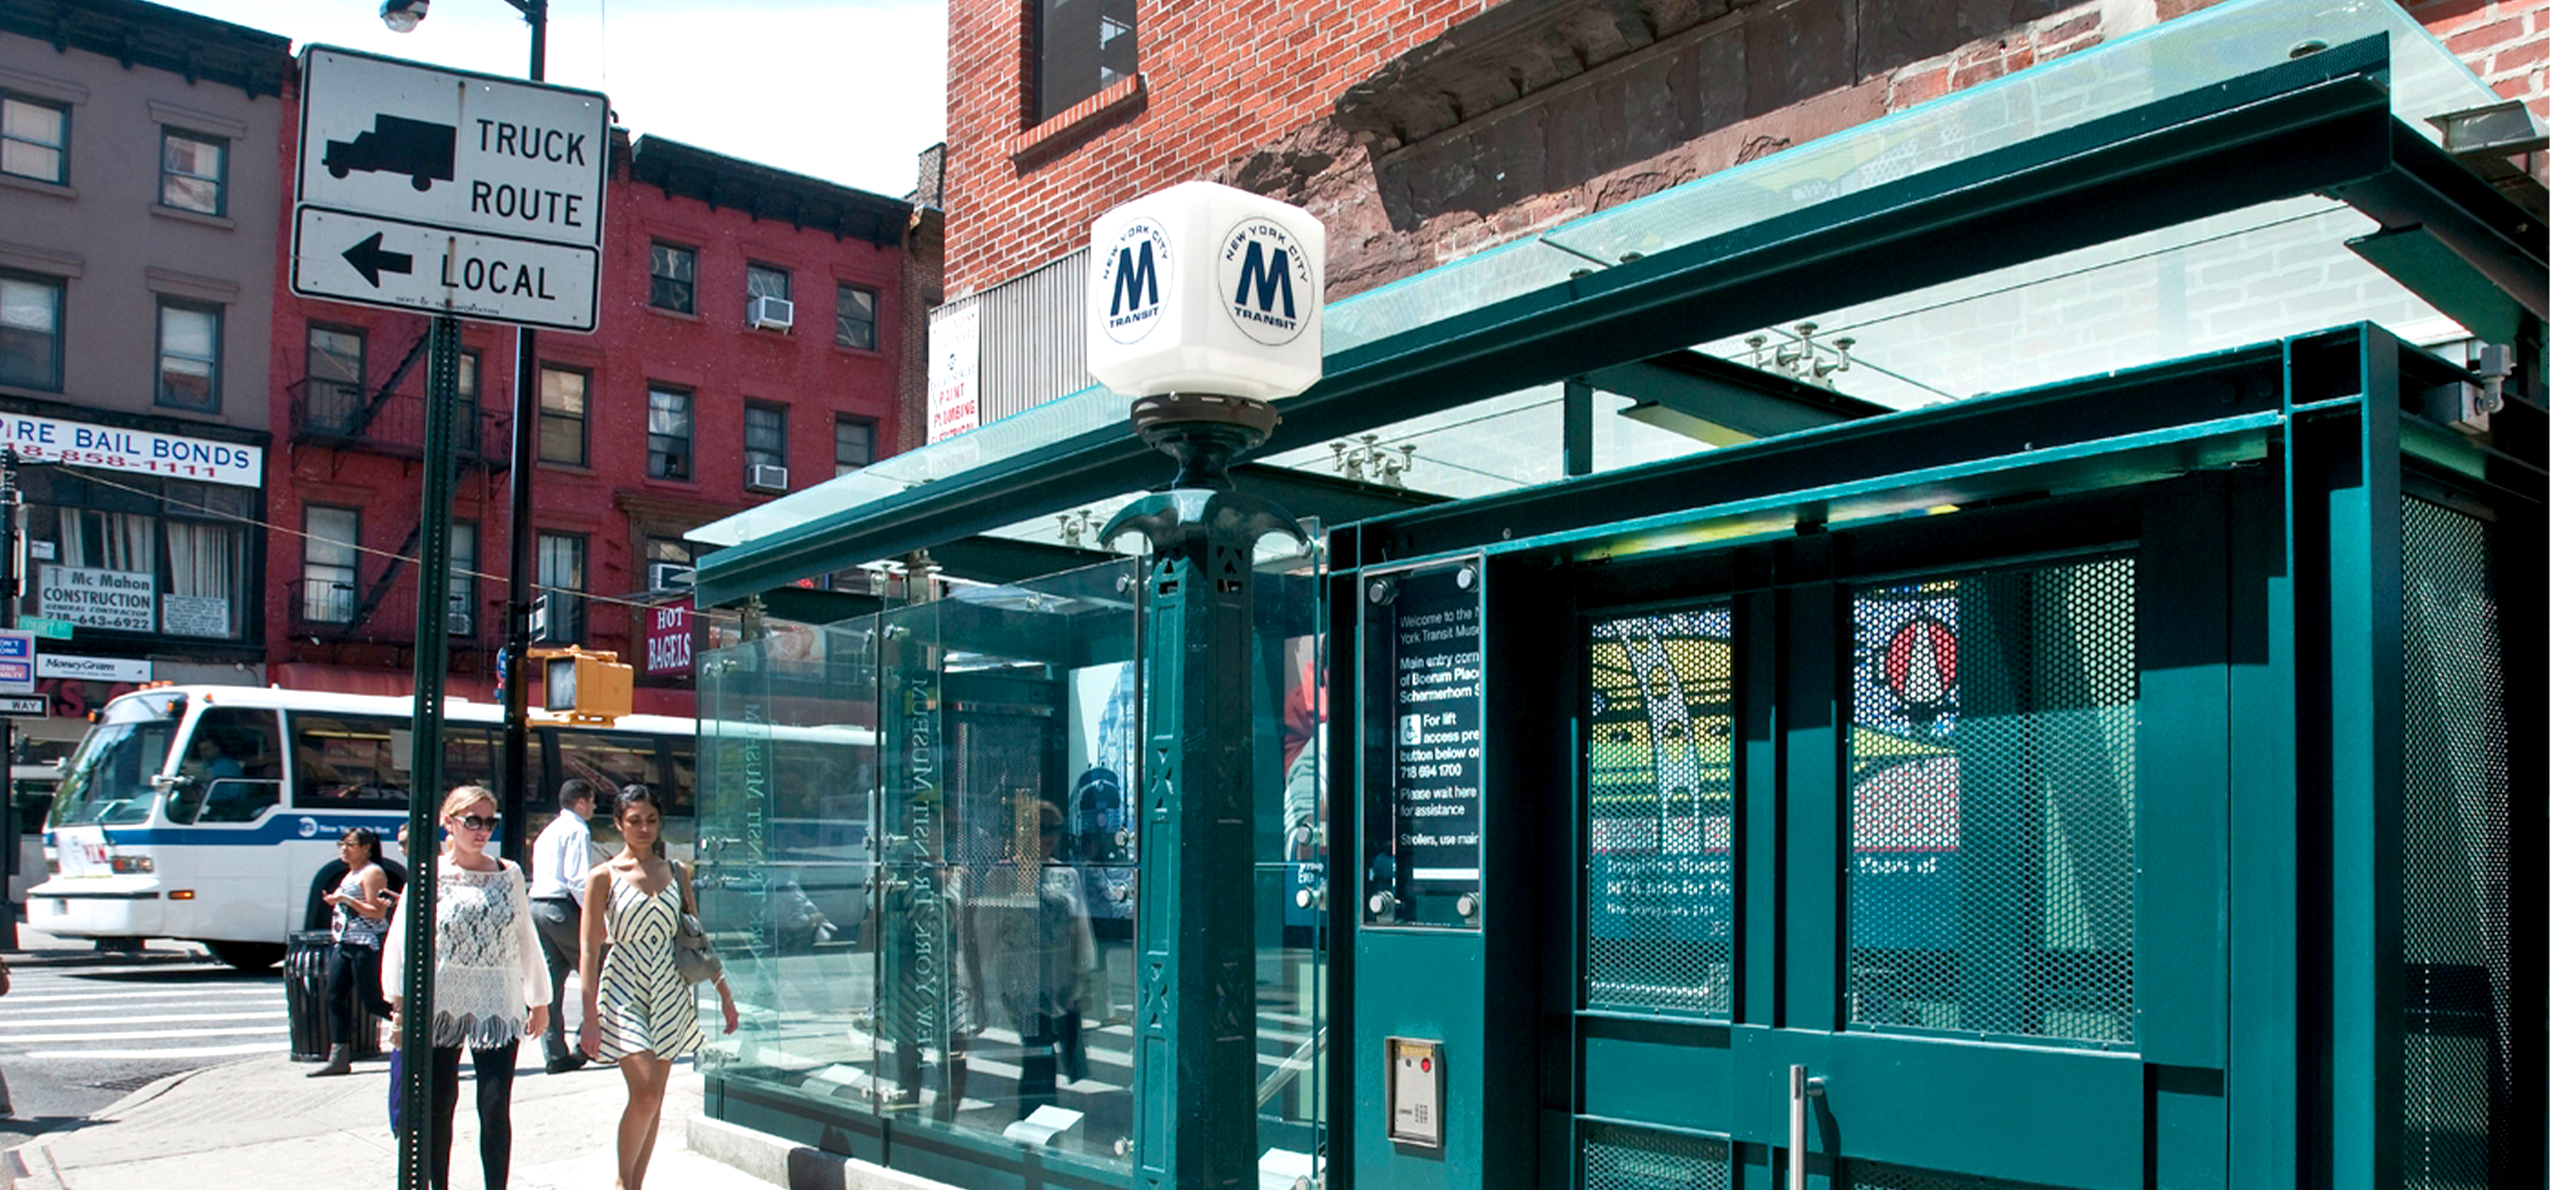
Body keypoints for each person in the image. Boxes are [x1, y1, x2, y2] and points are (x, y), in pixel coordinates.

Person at [383, 785, 550, 1190]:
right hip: (443, 1001)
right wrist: (400, 999)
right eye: (471, 820)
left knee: (495, 1106)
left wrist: (539, 1000)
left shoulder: (508, 873)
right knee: (439, 1106)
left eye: (489, 821)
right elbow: (402, 939)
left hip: (498, 1000)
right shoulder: (430, 875)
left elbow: (524, 935)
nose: (481, 830)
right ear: (448, 823)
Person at [580, 785, 738, 1190]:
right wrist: (588, 1018)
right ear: (618, 824)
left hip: (669, 989)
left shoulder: (677, 872)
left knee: (655, 1100)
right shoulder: (603, 877)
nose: (644, 828)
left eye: (651, 820)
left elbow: (696, 937)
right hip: (622, 990)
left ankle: (635, 1185)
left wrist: (724, 992)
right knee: (646, 1094)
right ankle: (621, 1182)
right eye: (634, 820)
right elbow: (588, 950)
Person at [308, 827, 395, 1077]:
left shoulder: (372, 873)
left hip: (364, 945)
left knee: (373, 1002)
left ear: (366, 847)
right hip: (344, 943)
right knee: (334, 996)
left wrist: (346, 901)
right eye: (341, 844)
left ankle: (414, 1029)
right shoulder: (350, 874)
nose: (343, 849)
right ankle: (339, 1056)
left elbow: (377, 912)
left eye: (349, 844)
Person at [529, 778, 601, 1073]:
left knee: (551, 981)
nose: (595, 807)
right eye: (592, 801)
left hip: (537, 904)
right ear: (581, 801)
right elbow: (578, 879)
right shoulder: (577, 829)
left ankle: (555, 1054)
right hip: (562, 907)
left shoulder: (548, 830)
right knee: (596, 969)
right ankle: (587, 1043)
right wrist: (595, 916)